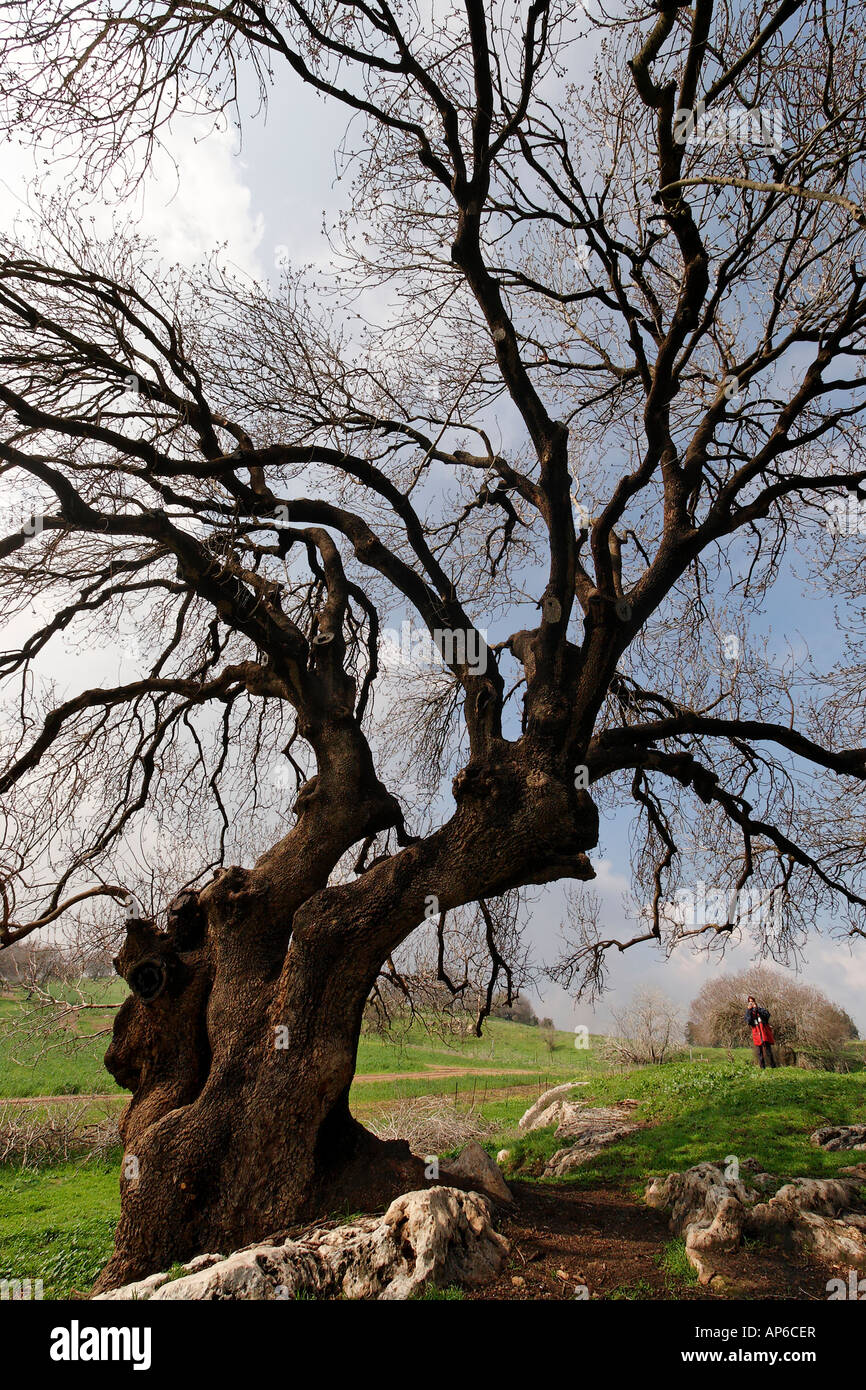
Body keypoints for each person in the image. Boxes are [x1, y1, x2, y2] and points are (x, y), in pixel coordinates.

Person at [745, 995, 776, 1069]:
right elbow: (748, 1021)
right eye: (750, 1002)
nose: (751, 1003)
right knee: (759, 1052)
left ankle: (773, 1066)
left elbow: (767, 1015)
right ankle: (762, 1067)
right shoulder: (748, 1012)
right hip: (756, 1032)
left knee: (768, 1050)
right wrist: (749, 1010)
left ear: (755, 1002)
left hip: (764, 1031)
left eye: (752, 1001)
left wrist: (757, 1009)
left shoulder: (761, 1009)